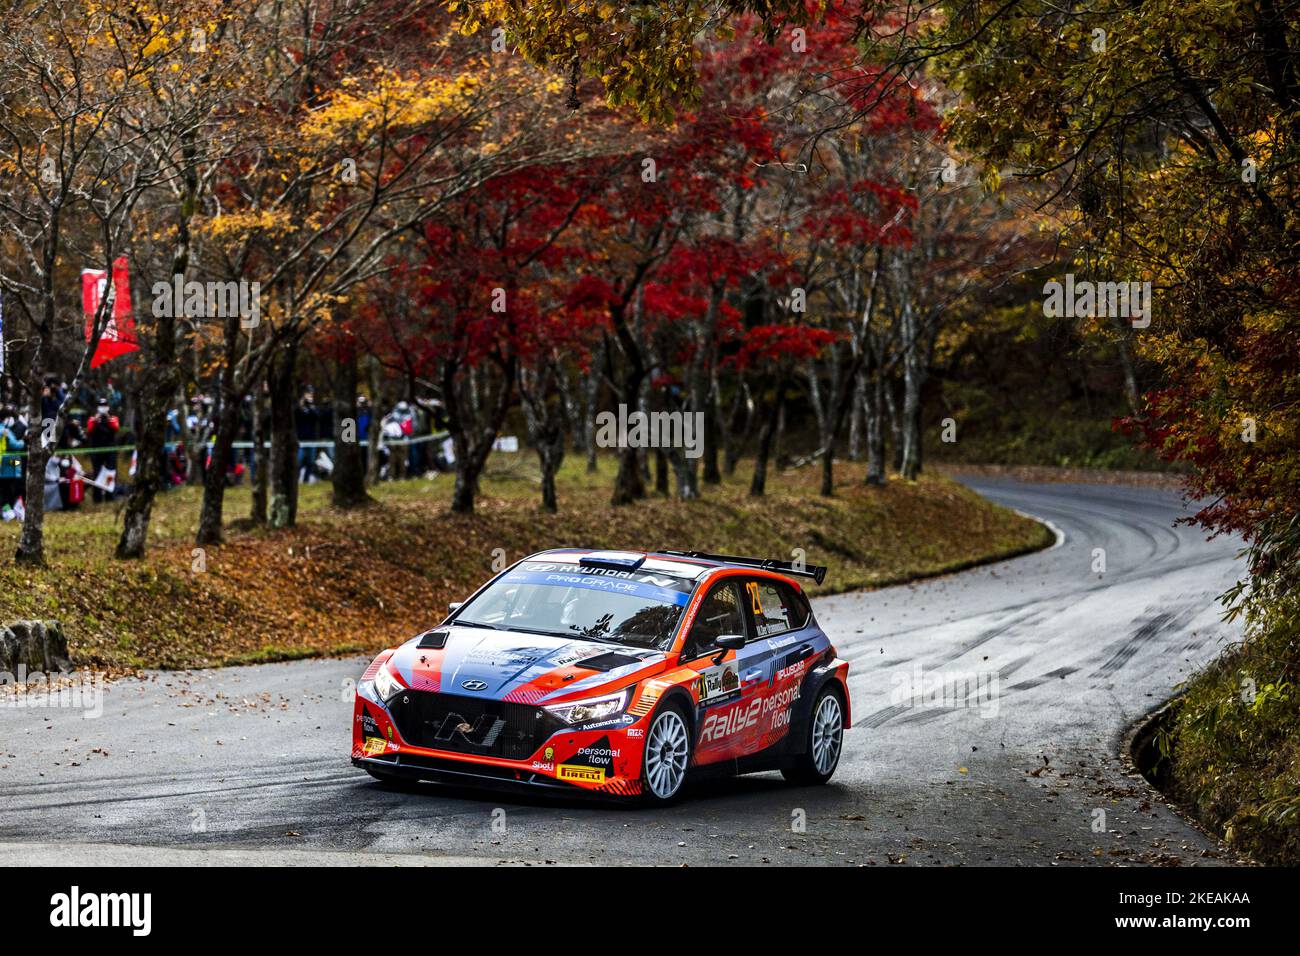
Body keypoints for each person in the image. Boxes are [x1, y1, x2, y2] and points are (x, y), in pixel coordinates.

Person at [86, 398, 120, 503]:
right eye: (101, 405)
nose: (103, 407)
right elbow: (90, 430)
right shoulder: (92, 419)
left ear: (108, 407)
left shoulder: (113, 418)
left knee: (110, 472)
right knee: (97, 473)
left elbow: (115, 427)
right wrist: (96, 420)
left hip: (110, 449)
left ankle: (110, 496)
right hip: (96, 449)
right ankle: (97, 498)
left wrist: (108, 417)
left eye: (105, 405)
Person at [0, 406, 25, 509]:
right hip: (8, 461)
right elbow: (14, 444)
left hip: (4, 461)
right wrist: (23, 441)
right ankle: (10, 508)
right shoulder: (4, 431)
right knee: (19, 464)